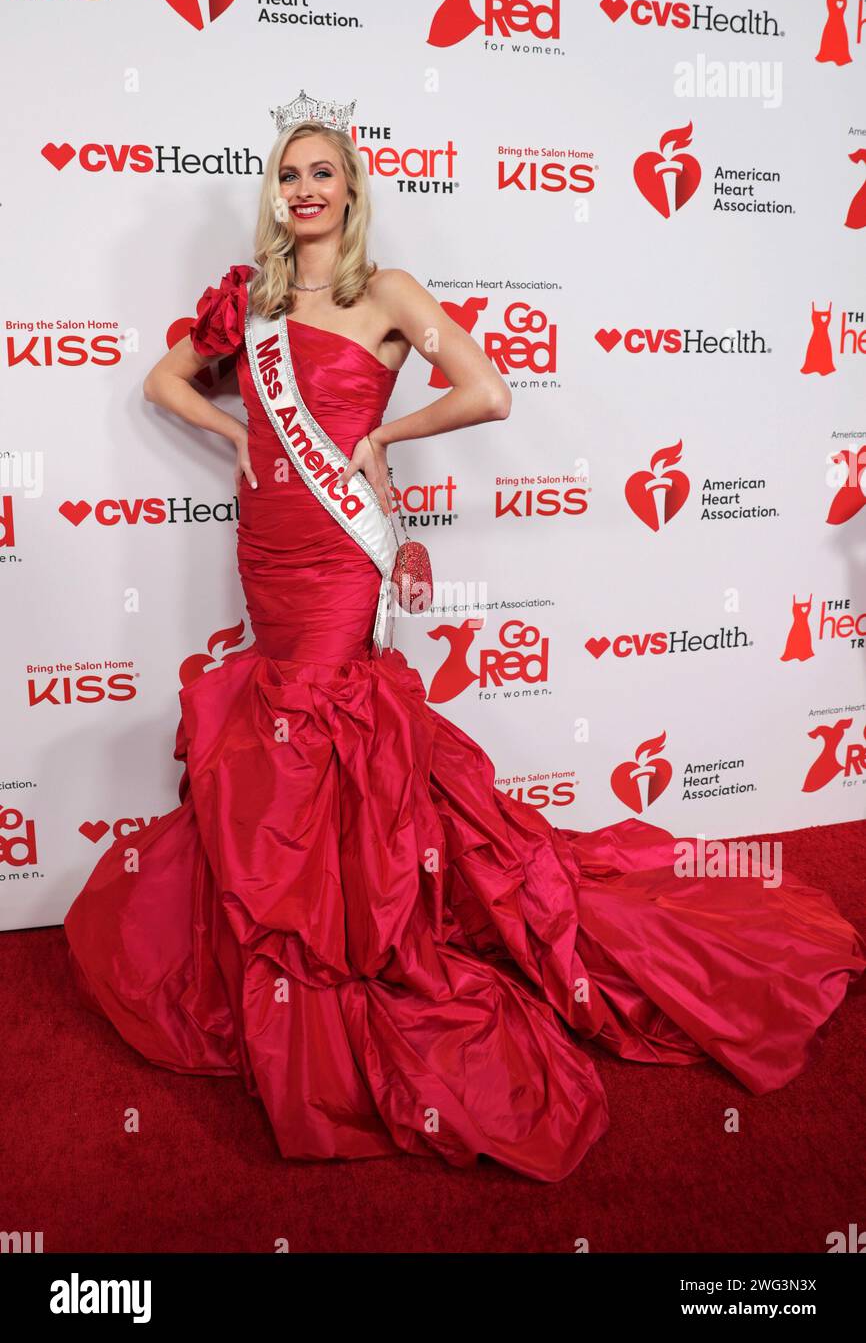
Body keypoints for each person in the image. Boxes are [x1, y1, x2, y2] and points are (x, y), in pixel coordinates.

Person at [63, 97, 866, 1184]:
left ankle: (356, 940)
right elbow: (163, 379)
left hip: (343, 551)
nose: (303, 190)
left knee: (331, 714)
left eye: (321, 174)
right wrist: (237, 430)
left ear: (349, 191)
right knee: (282, 731)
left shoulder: (383, 293)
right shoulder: (245, 302)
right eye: (287, 175)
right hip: (268, 541)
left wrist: (378, 439)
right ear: (275, 194)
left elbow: (485, 391)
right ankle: (295, 934)